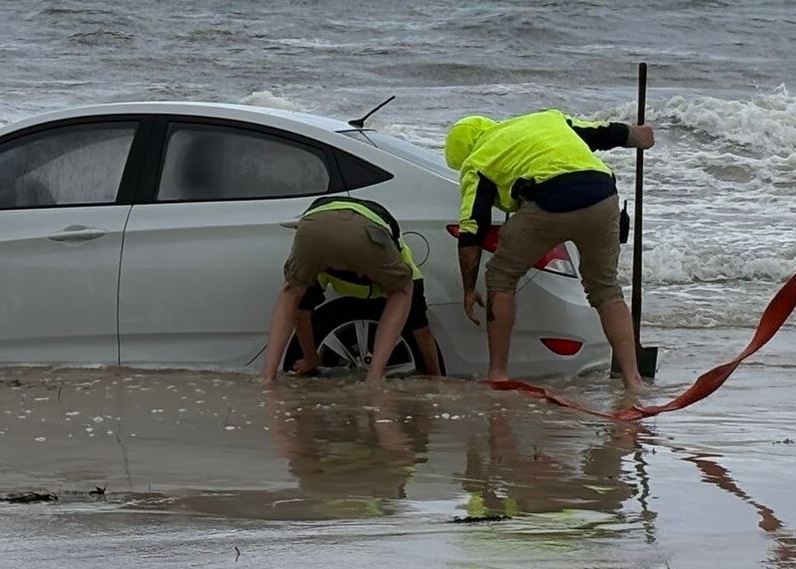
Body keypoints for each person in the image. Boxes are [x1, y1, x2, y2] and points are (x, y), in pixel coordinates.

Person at [443, 108, 657, 392]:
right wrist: (637, 137)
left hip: (547, 200)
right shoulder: (546, 120)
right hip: (602, 195)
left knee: (500, 277)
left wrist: (469, 288)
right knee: (605, 288)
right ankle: (633, 381)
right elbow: (602, 131)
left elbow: (472, 227)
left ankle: (498, 374)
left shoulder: (477, 161)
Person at [260, 195, 435, 386]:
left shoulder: (321, 266)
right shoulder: (401, 260)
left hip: (314, 226)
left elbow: (301, 314)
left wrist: (311, 359)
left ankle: (267, 378)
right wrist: (436, 377)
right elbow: (422, 330)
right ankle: (374, 377)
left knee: (291, 292)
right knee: (403, 290)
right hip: (368, 230)